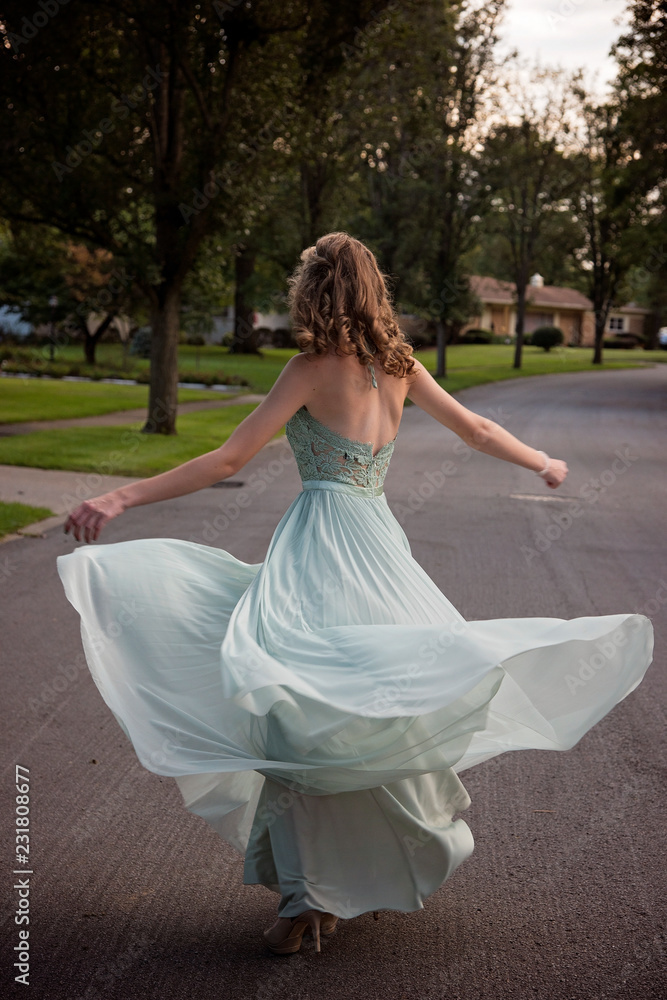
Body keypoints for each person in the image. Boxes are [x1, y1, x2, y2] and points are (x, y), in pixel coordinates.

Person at [58, 232, 654, 956]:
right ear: (374, 291)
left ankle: (311, 898)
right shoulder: (399, 367)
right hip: (377, 545)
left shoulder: (311, 368)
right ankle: (325, 892)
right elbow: (477, 429)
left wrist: (121, 495)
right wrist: (542, 461)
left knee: (299, 713)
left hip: (320, 546)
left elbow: (228, 458)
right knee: (367, 709)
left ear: (313, 291)